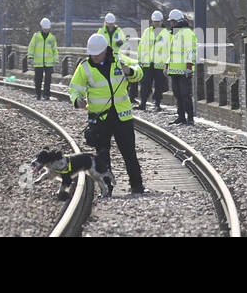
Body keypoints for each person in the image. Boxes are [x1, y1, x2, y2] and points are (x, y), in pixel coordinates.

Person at [69, 33, 144, 195]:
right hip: (99, 118)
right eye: (92, 54)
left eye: (98, 54)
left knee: (129, 151)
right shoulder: (84, 67)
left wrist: (129, 71)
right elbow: (74, 88)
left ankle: (137, 185)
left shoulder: (119, 60)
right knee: (102, 154)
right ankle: (107, 188)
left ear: (105, 51)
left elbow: (139, 72)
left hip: (122, 116)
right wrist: (77, 100)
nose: (95, 57)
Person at [166, 9, 196, 125]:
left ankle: (190, 118)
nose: (170, 24)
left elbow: (191, 51)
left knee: (185, 94)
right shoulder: (174, 34)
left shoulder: (186, 33)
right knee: (178, 95)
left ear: (176, 21)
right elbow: (171, 53)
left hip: (184, 70)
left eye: (171, 21)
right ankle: (181, 117)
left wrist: (189, 67)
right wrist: (167, 65)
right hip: (174, 70)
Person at [137, 10, 169, 112]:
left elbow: (169, 49)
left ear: (161, 21)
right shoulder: (147, 32)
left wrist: (167, 63)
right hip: (147, 63)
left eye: (158, 21)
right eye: (155, 21)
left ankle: (157, 103)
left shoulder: (166, 34)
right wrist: (140, 60)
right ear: (152, 21)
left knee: (159, 85)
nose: (156, 23)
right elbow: (141, 46)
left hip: (160, 64)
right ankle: (143, 103)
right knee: (145, 84)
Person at [27, 17, 59, 100]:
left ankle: (46, 95)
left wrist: (56, 60)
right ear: (42, 27)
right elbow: (31, 46)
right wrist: (30, 56)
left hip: (49, 63)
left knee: (48, 80)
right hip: (38, 62)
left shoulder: (52, 38)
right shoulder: (36, 36)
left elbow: (54, 49)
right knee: (38, 80)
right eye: (45, 28)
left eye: (47, 28)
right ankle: (38, 94)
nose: (46, 30)